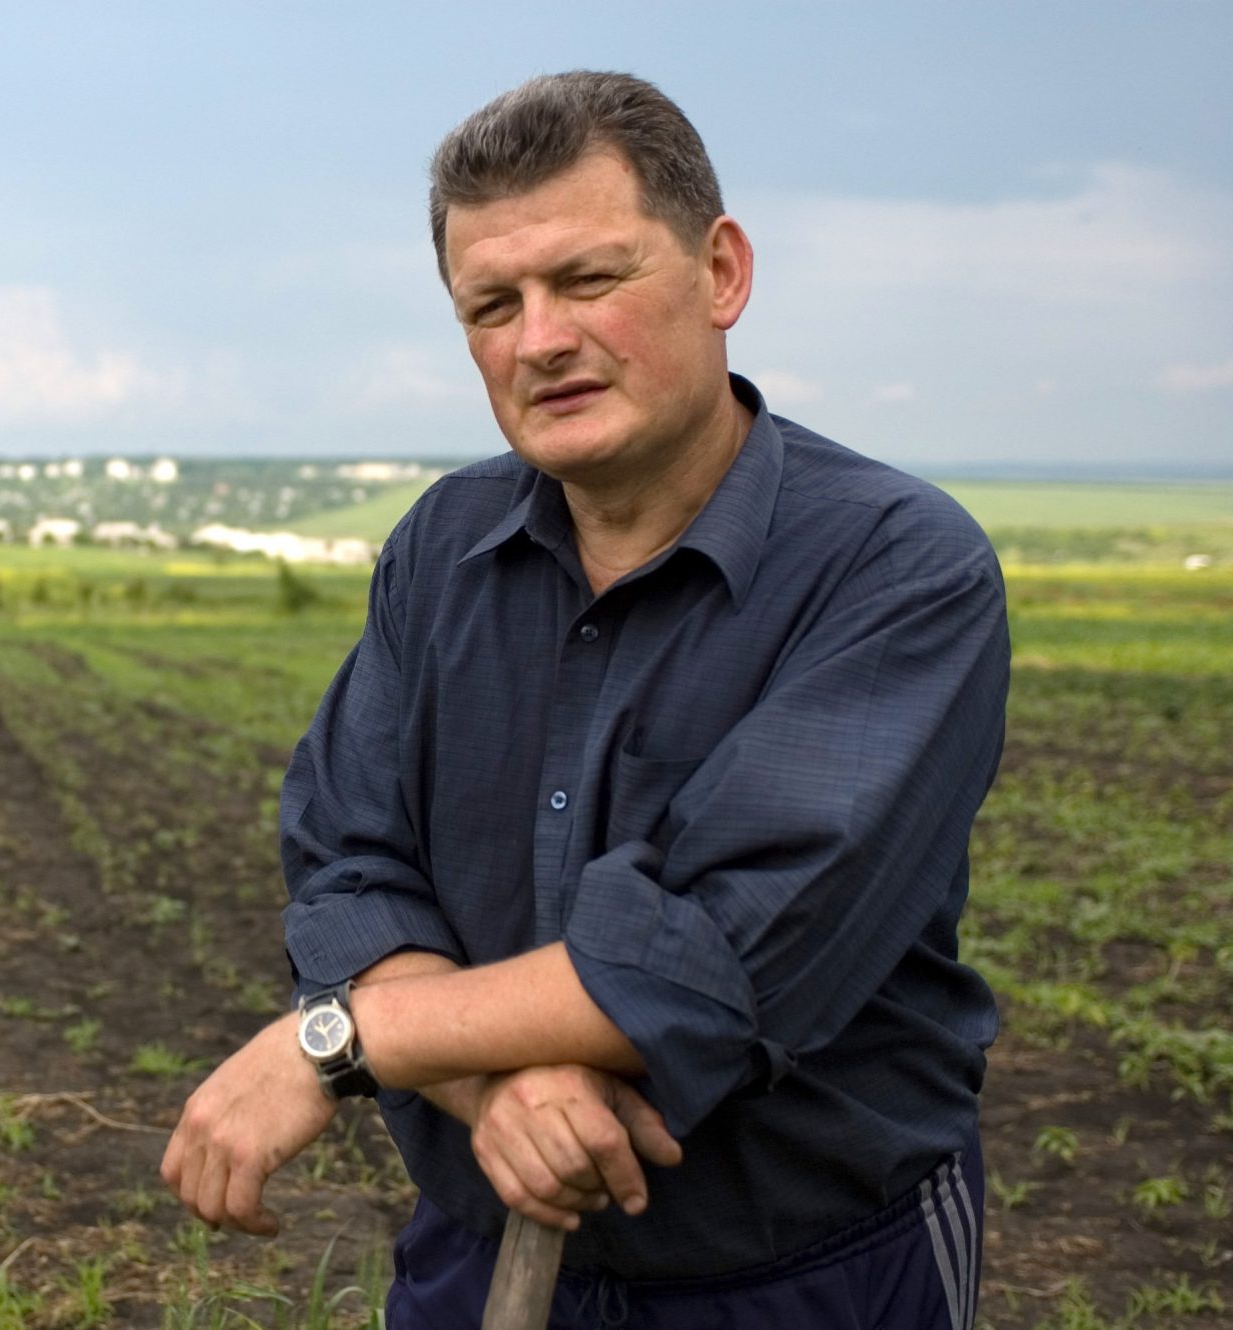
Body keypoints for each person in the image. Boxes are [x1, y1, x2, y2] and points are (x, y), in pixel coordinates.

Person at [160, 70, 1009, 1329]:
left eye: (587, 280)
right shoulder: (440, 545)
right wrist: (495, 1095)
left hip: (803, 1273)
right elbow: (350, 861)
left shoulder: (893, 565)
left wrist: (340, 1043)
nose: (538, 338)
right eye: (490, 304)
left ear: (719, 271)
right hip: (474, 1250)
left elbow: (712, 957)